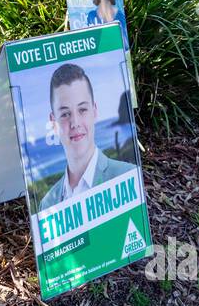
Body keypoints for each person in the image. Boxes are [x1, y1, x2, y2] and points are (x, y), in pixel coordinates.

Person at [38, 63, 135, 210]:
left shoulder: (127, 176)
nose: (75, 123)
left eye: (82, 109)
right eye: (65, 114)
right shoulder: (47, 205)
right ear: (53, 122)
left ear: (94, 112)